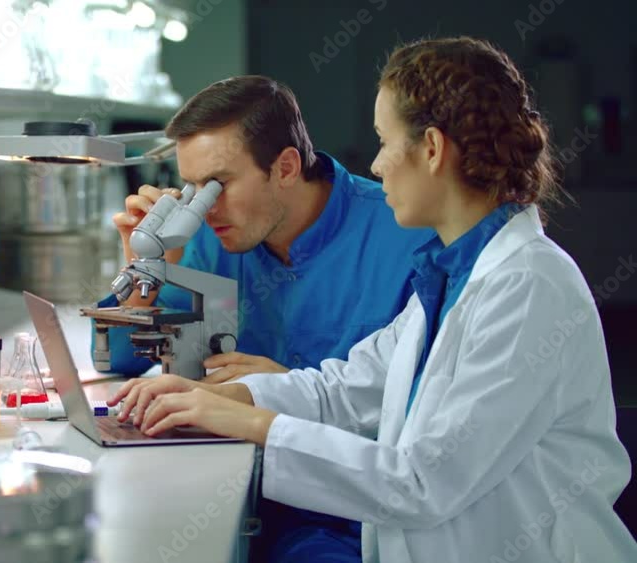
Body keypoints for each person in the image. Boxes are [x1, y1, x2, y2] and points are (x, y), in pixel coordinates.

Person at [110, 37, 637, 562]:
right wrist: (218, 398)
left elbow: (424, 481)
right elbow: (344, 388)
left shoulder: (527, 286)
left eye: (385, 142)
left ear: (431, 149)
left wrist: (248, 422)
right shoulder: (454, 273)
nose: (378, 164)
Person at [93, 75, 433, 558]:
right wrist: (143, 271)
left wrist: (290, 387)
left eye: (218, 185)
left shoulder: (404, 235)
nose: (205, 208)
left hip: (350, 518)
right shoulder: (211, 235)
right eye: (192, 188)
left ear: (286, 167)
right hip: (236, 492)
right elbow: (118, 361)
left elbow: (427, 427)